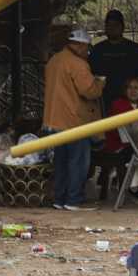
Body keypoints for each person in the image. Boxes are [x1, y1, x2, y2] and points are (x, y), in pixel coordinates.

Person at [44, 29, 105, 209]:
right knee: (78, 162)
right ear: (79, 45)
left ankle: (59, 199)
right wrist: (100, 83)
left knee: (61, 162)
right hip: (74, 121)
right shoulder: (78, 64)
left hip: (55, 120)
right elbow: (89, 91)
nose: (88, 52)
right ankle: (73, 200)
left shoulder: (54, 60)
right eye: (87, 48)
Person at [90, 9, 138, 104]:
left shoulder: (135, 49)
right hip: (104, 103)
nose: (112, 28)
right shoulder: (97, 50)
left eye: (116, 25)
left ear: (122, 27)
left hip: (131, 103)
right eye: (109, 25)